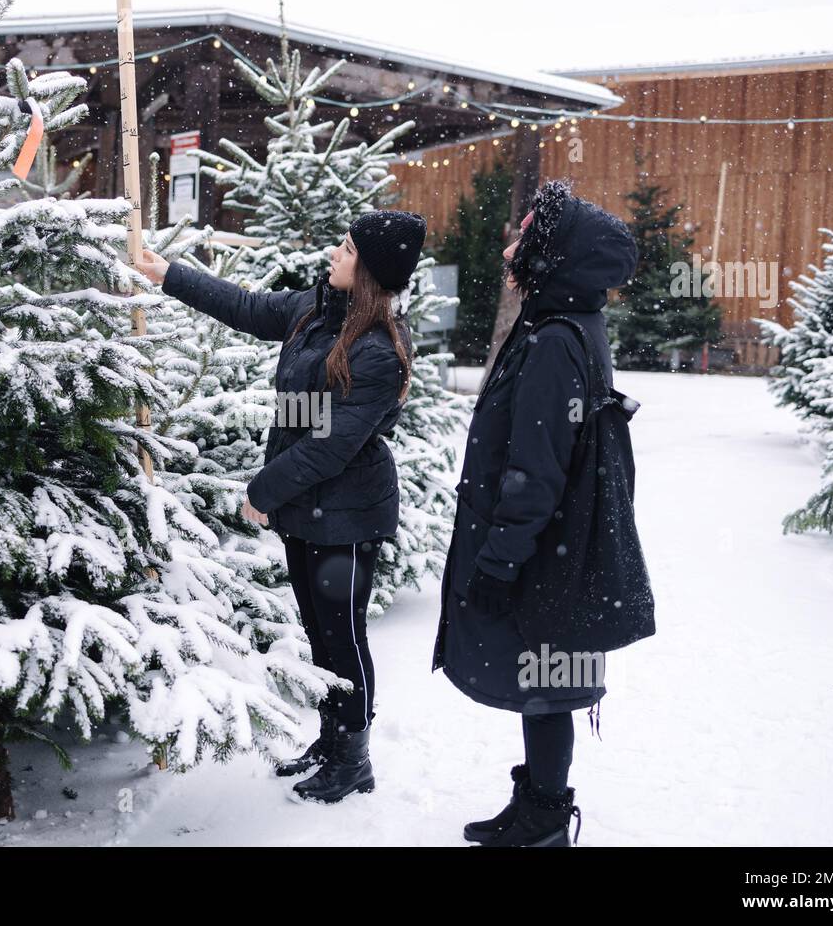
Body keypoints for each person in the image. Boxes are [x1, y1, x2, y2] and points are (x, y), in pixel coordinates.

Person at [134, 210, 422, 803]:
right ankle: (331, 738)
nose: (334, 254)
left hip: (345, 511)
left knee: (342, 637)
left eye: (346, 249)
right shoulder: (316, 309)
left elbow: (331, 446)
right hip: (307, 504)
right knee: (320, 631)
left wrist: (263, 492)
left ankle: (354, 758)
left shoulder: (378, 350)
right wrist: (168, 275)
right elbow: (247, 307)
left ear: (367, 271)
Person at [433, 180, 642, 846]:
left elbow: (536, 469)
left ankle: (546, 820)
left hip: (544, 549)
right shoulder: (564, 319)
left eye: (524, 232)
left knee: (549, 681)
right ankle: (537, 806)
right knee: (546, 679)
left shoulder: (557, 338)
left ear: (553, 252)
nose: (511, 239)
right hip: (555, 545)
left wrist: (499, 561)